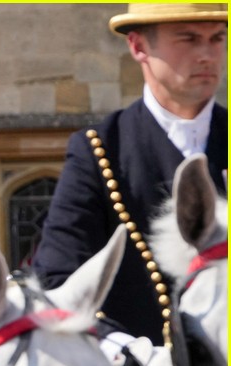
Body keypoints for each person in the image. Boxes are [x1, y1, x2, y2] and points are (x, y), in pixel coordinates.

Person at [30, 3, 227, 345]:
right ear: (138, 47)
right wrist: (131, 355)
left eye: (217, 38)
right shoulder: (99, 150)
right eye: (189, 39)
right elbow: (58, 281)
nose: (207, 55)